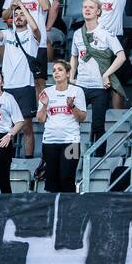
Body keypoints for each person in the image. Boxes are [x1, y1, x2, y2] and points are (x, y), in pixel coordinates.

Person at [0, 0, 41, 159]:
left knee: (27, 127)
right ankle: (5, 159)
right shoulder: (7, 34)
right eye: (15, 15)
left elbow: (36, 28)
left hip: (26, 85)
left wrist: (22, 6)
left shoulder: (32, 35)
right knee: (5, 126)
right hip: (8, 87)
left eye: (21, 14)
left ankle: (29, 160)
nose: (18, 17)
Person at [68, 0, 125, 155]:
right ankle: (72, 156)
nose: (87, 10)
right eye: (85, 7)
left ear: (98, 11)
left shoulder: (106, 33)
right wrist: (72, 76)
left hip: (99, 87)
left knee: (98, 124)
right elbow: (74, 56)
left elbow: (121, 56)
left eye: (91, 7)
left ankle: (98, 158)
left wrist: (107, 74)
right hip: (81, 85)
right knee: (73, 122)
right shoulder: (78, 34)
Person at [37, 61, 87, 193]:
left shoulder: (77, 91)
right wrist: (44, 105)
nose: (56, 72)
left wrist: (72, 107)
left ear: (68, 73)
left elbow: (82, 118)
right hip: (49, 142)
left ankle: (68, 211)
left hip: (72, 142)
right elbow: (41, 119)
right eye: (54, 70)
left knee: (67, 178)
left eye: (60, 69)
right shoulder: (46, 92)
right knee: (51, 181)